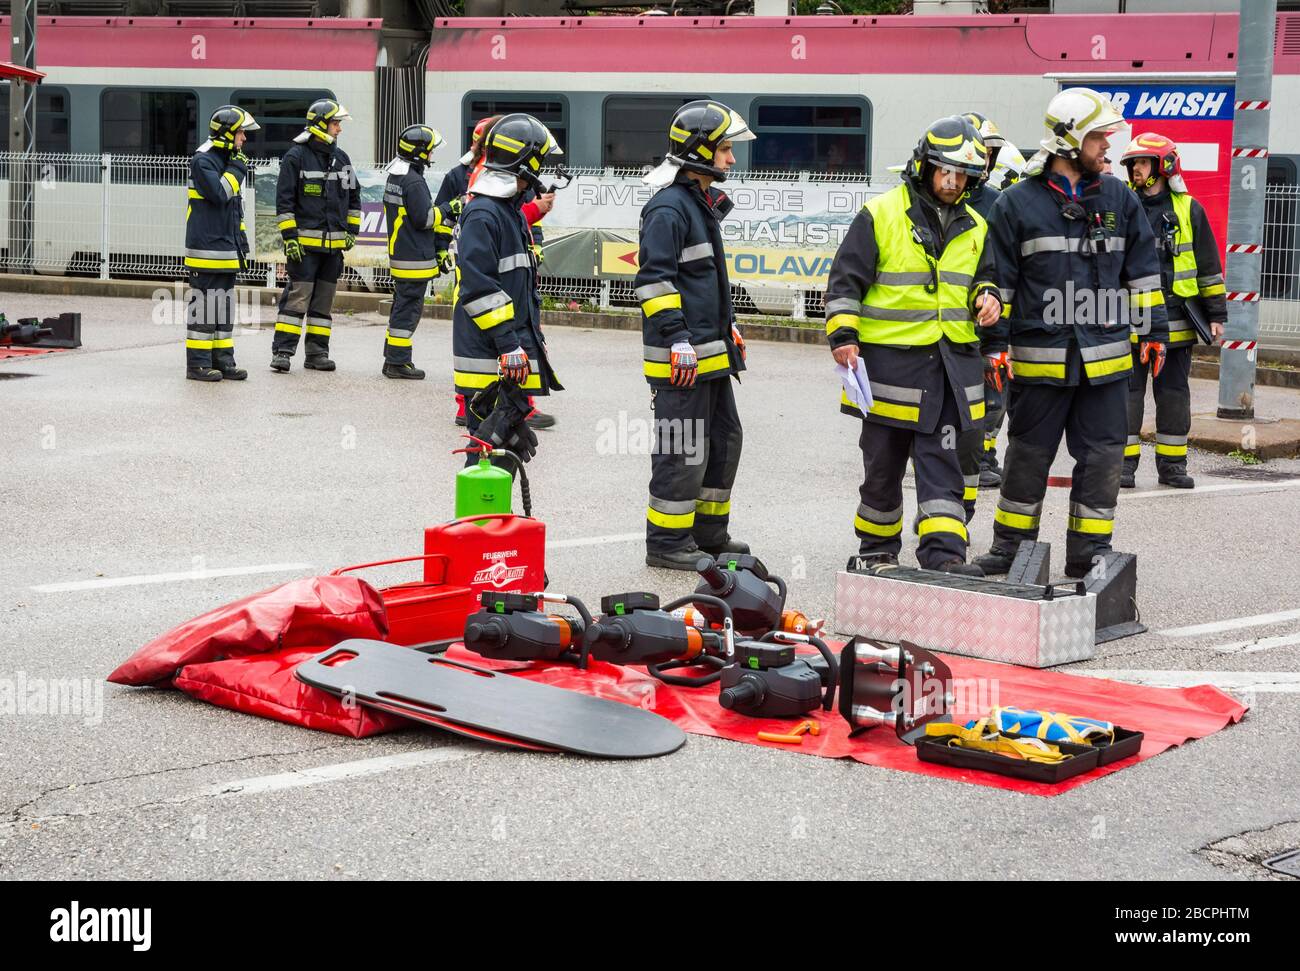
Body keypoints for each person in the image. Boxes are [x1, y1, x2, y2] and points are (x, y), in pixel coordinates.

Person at [974, 88, 1169, 579]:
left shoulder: (1119, 198)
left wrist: (1154, 332)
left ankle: (1088, 554)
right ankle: (1011, 549)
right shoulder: (1016, 203)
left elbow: (1143, 272)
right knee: (1027, 457)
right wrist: (996, 346)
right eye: (1100, 137)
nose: (1109, 147)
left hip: (1105, 363)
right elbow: (996, 279)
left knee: (1104, 458)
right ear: (1069, 141)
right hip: (1041, 359)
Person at [825, 115, 1001, 576]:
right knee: (882, 466)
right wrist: (843, 336)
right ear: (924, 166)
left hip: (950, 368)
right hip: (888, 369)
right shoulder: (882, 213)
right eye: (947, 170)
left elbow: (989, 277)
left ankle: (944, 556)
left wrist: (990, 297)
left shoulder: (979, 226)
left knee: (943, 461)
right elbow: (845, 280)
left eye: (963, 174)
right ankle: (877, 550)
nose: (954, 180)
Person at [634, 101, 754, 570]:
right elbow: (654, 282)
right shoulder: (669, 208)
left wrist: (728, 329)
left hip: (710, 353)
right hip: (681, 357)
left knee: (724, 441)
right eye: (725, 148)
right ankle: (666, 544)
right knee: (681, 449)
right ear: (701, 150)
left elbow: (704, 284)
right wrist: (678, 339)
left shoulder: (697, 204)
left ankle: (708, 537)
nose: (731, 159)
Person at [452, 114, 564, 464]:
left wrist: (530, 339)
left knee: (504, 457)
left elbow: (516, 288)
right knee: (486, 460)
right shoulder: (485, 214)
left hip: (505, 355)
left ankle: (494, 519)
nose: (542, 168)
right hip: (490, 359)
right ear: (525, 163)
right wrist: (509, 343)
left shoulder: (508, 211)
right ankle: (480, 519)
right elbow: (480, 288)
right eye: (540, 161)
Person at [1119, 133, 1227, 489]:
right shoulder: (1122, 206)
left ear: (1163, 166)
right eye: (1133, 162)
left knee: (1173, 395)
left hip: (1176, 322)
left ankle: (1172, 466)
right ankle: (1123, 468)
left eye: (1142, 162)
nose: (1135, 168)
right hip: (1131, 321)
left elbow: (1209, 266)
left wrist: (1216, 315)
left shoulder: (1188, 209)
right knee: (1127, 395)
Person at [270, 99, 361, 373]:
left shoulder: (341, 159)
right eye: (336, 124)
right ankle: (283, 353)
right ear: (321, 124)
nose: (339, 130)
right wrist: (290, 239)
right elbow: (284, 203)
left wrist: (351, 232)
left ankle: (317, 354)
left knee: (324, 302)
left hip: (333, 251)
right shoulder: (295, 157)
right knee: (298, 298)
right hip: (304, 250)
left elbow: (354, 198)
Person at [183, 105, 259, 381]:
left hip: (226, 249)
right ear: (228, 133)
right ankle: (197, 365)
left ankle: (223, 361)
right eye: (241, 132)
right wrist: (238, 166)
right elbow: (220, 193)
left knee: (223, 307)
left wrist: (241, 244)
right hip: (205, 249)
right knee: (204, 307)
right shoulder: (203, 161)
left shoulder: (225, 161)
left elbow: (234, 212)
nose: (244, 138)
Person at [381, 124, 462, 379]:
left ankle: (392, 358)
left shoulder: (396, 175)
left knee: (400, 307)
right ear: (419, 153)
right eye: (429, 151)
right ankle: (398, 363)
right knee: (408, 311)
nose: (431, 155)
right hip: (413, 258)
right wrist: (450, 208)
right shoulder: (413, 181)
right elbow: (424, 219)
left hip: (402, 253)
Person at [961, 111, 1012, 500]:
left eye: (992, 154)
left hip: (995, 312)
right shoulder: (937, 201)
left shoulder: (999, 202)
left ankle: (984, 456)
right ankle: (965, 456)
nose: (987, 161)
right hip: (952, 319)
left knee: (994, 391)